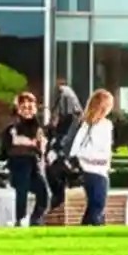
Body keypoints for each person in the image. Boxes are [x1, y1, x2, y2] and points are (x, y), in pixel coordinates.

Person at [0, 92, 50, 227]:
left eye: (30, 107)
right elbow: (12, 142)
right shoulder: (13, 125)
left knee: (43, 192)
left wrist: (39, 146)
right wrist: (31, 143)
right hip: (19, 163)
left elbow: (40, 145)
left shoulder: (37, 126)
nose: (27, 110)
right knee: (22, 191)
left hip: (33, 163)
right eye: (24, 107)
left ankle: (35, 219)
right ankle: (20, 219)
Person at [70, 89, 115, 226]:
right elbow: (103, 150)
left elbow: (75, 150)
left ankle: (86, 232)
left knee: (94, 206)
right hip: (97, 171)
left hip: (88, 170)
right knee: (97, 206)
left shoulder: (85, 124)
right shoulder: (104, 125)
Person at [45, 77, 84, 209]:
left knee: (55, 166)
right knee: (54, 167)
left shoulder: (65, 96)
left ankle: (70, 180)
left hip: (63, 143)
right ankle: (69, 180)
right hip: (62, 143)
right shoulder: (68, 98)